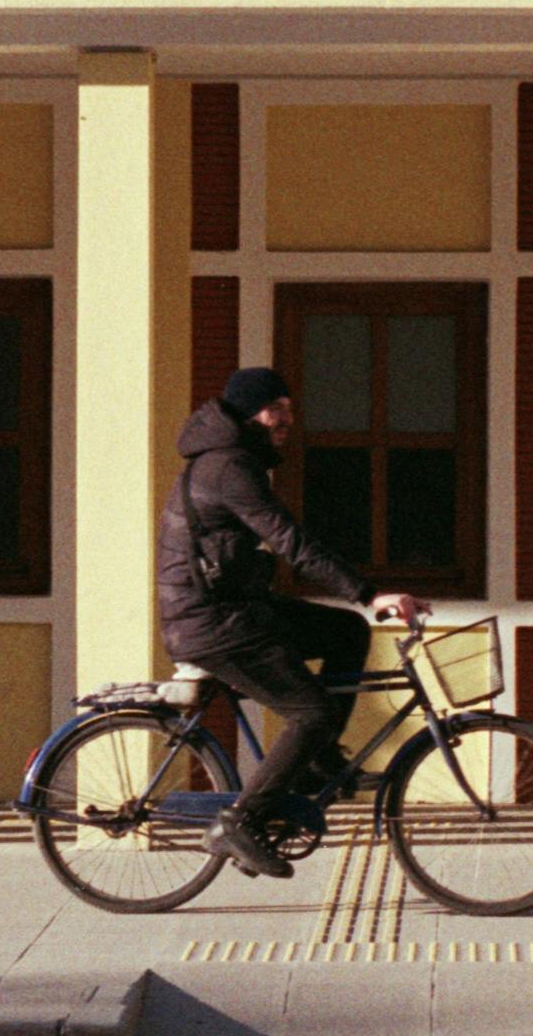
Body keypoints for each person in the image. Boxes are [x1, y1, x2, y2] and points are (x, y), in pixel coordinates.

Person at [157, 364, 429, 878]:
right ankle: (238, 822)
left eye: (288, 408)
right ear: (247, 413)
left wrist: (361, 603)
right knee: (312, 712)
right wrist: (370, 594)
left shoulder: (235, 459)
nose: (286, 418)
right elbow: (290, 542)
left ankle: (315, 763)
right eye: (274, 409)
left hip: (234, 608)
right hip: (211, 621)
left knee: (346, 631)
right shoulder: (228, 467)